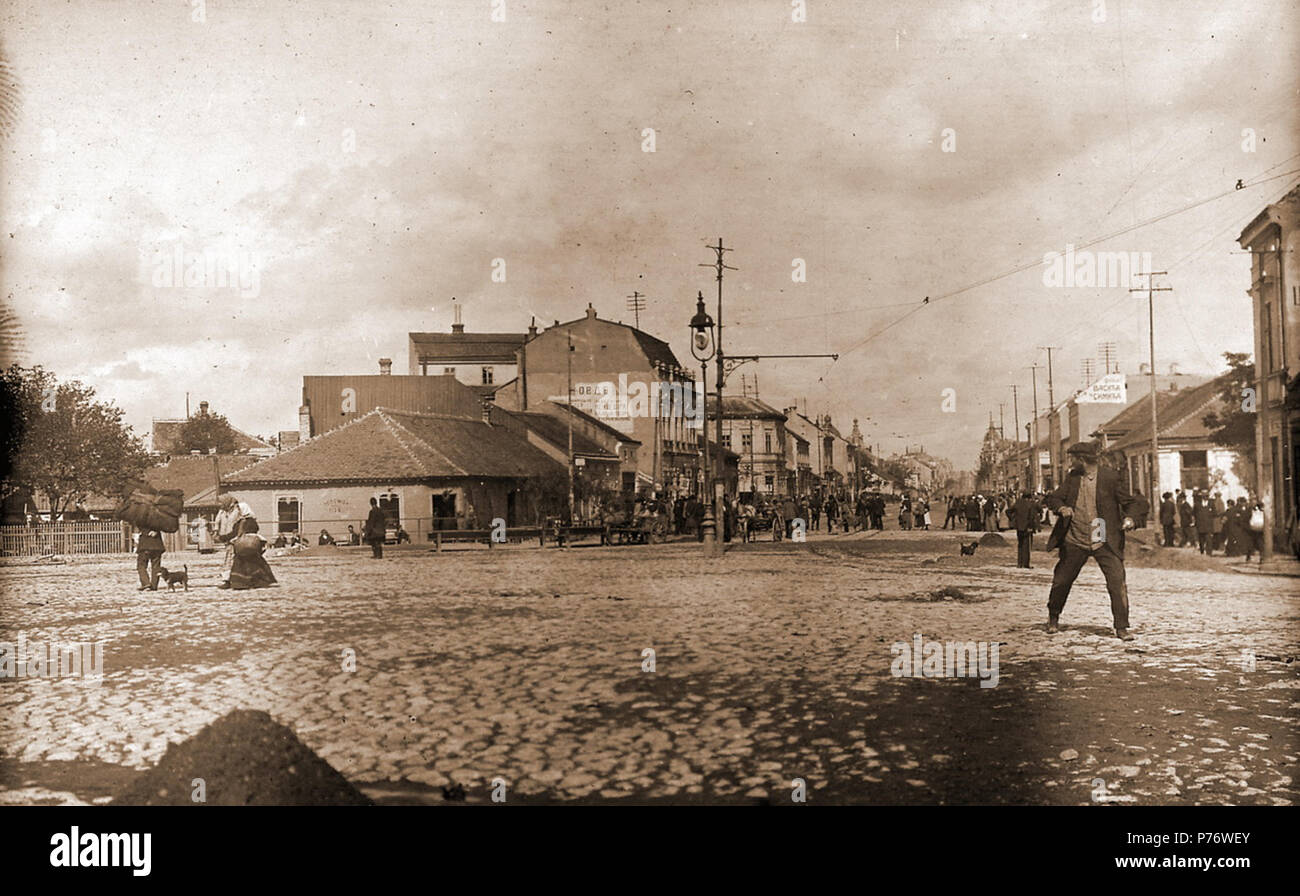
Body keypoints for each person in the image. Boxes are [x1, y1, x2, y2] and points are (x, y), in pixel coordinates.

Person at [1044, 441, 1144, 641]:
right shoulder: (1072, 478)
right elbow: (1054, 498)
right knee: (1061, 581)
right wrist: (1061, 508)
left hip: (1104, 539)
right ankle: (1053, 618)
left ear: (1082, 460)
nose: (1071, 462)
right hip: (1075, 538)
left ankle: (1122, 627)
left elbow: (1132, 503)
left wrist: (1131, 518)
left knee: (1117, 583)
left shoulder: (1110, 477)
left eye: (1073, 459)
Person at [215, 495, 277, 589]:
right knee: (253, 565)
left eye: (239, 509)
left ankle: (240, 583)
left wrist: (222, 538)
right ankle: (254, 581)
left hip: (244, 546)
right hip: (247, 546)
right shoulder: (245, 521)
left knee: (240, 564)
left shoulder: (245, 521)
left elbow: (235, 533)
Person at [1010, 491, 1039, 569]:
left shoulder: (1018, 503)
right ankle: (1025, 564)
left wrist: (1013, 519)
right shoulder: (1030, 504)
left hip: (1019, 526)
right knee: (1026, 545)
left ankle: (1019, 563)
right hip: (1027, 527)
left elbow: (1009, 511)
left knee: (1020, 544)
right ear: (1029, 497)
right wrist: (1032, 527)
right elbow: (1031, 517)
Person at [136, 527, 164, 591]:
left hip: (145, 544)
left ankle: (146, 583)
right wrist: (156, 530)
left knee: (141, 565)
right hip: (157, 545)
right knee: (156, 567)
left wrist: (146, 532)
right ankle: (154, 586)